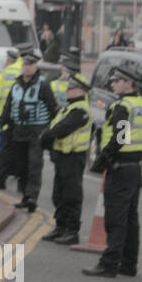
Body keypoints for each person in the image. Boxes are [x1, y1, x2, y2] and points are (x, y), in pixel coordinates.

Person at [84, 65, 142, 278]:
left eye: (117, 80)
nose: (112, 84)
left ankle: (109, 263)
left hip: (120, 168)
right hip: (134, 169)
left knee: (116, 218)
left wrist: (102, 159)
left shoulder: (122, 106)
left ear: (128, 83)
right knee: (131, 219)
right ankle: (129, 264)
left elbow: (120, 138)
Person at [40, 71, 92, 244]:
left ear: (81, 90)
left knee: (71, 195)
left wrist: (46, 137)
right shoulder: (67, 108)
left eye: (71, 88)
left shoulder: (80, 110)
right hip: (62, 156)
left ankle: (72, 231)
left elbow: (60, 129)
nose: (67, 90)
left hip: (73, 157)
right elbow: (54, 127)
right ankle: (61, 226)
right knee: (59, 195)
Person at [2, 50, 57, 212]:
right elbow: (7, 107)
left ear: (35, 67)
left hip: (37, 130)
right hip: (19, 130)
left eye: (31, 65)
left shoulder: (43, 85)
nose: (27, 68)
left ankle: (32, 196)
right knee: (21, 165)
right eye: (25, 65)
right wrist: (1, 122)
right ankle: (25, 196)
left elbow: (52, 108)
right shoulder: (16, 85)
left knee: (34, 164)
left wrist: (50, 130)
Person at [0, 47, 24, 189]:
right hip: (21, 118)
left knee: (2, 148)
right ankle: (17, 175)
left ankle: (0, 177)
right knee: (20, 148)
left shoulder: (5, 73)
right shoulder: (25, 71)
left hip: (3, 117)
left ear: (9, 61)